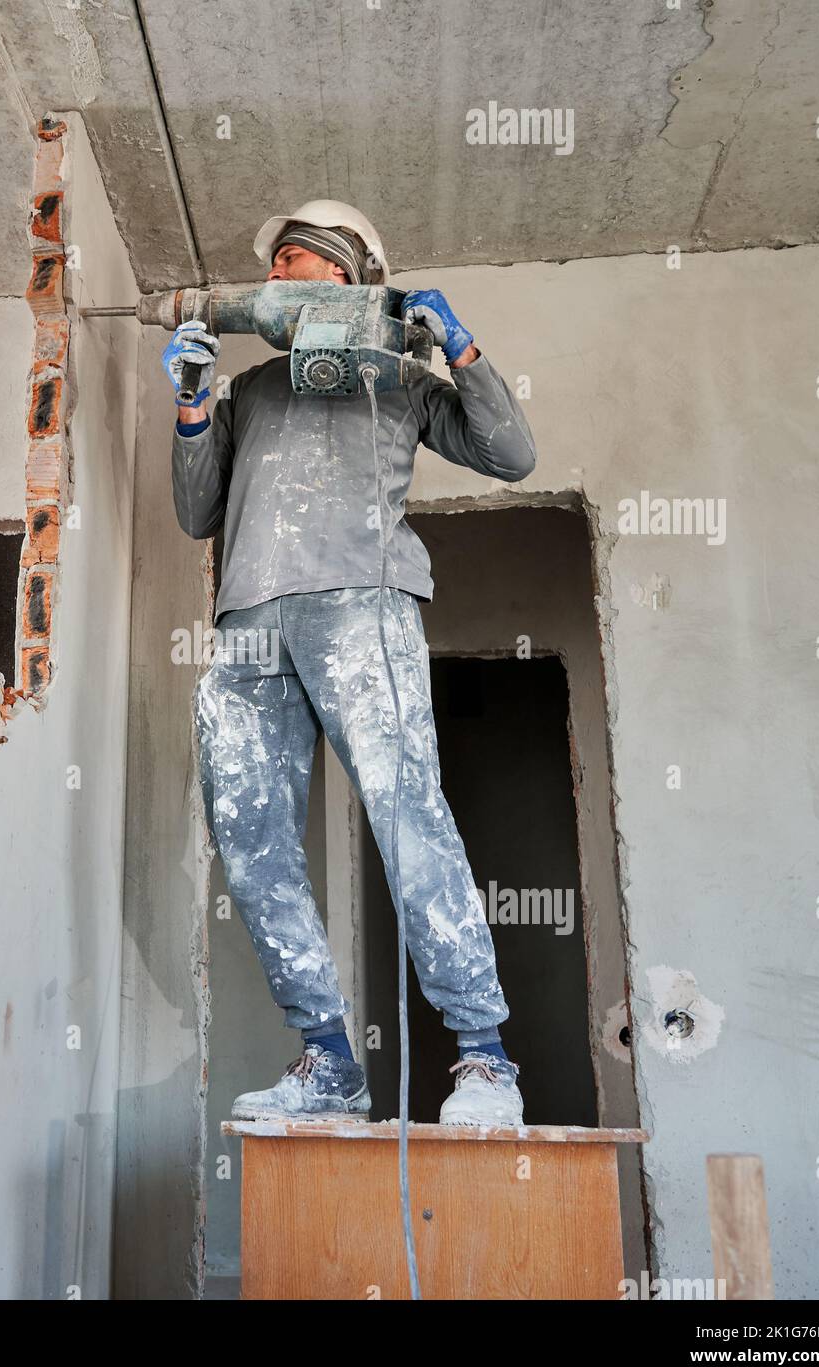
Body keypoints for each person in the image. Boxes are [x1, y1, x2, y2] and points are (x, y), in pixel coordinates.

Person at [166, 200, 536, 1125]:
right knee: (250, 840)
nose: (279, 274)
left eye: (299, 260)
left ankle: (485, 1059)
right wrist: (191, 404)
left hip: (360, 605)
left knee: (406, 814)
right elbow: (196, 513)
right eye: (275, 262)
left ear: (350, 274)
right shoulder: (249, 392)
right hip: (249, 617)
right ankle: (329, 1061)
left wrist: (458, 348)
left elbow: (512, 455)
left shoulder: (398, 381)